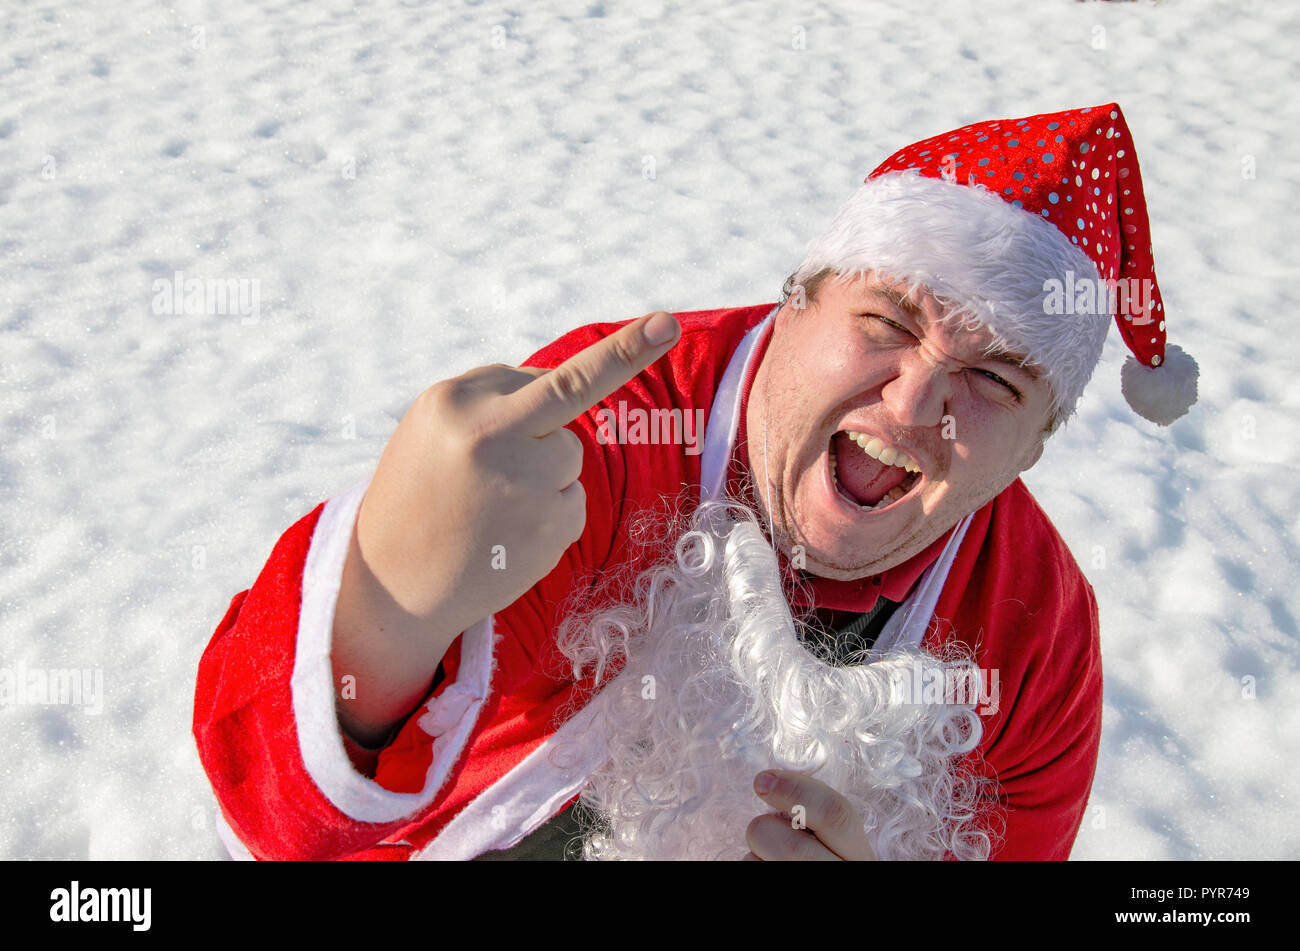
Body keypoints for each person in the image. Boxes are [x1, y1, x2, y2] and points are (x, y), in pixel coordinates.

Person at [193, 102, 1198, 861]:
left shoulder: (1035, 635)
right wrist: (384, 606)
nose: (911, 403)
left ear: (1034, 448)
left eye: (991, 381)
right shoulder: (601, 444)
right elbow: (287, 821)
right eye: (885, 324)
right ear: (791, 305)